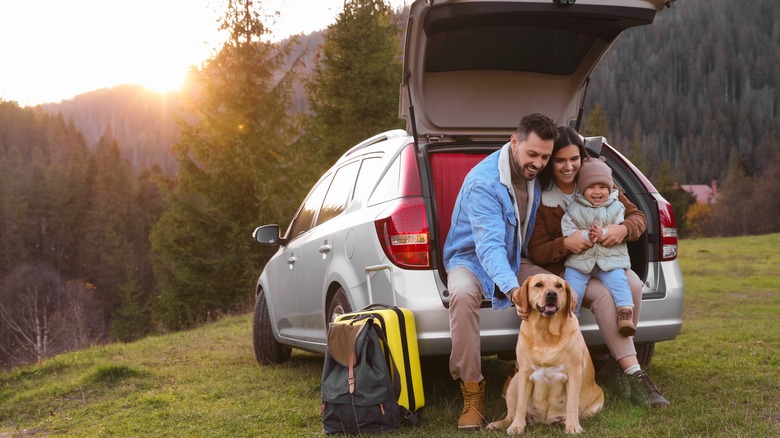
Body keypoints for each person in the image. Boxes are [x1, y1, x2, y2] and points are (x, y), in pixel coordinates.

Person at [527, 125, 669, 408]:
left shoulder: (598, 182)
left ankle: (617, 366)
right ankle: (630, 370)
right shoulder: (544, 198)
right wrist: (566, 244)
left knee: (633, 284)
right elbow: (537, 251)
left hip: (606, 261)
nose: (568, 167)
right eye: (560, 160)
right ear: (549, 161)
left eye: (574, 159)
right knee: (604, 296)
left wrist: (624, 230)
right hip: (570, 268)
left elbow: (638, 217)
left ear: (582, 157)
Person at [442, 113, 558, 430]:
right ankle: (472, 391)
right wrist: (513, 290)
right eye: (532, 154)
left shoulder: (537, 175)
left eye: (545, 156)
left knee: (553, 287)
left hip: (513, 255)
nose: (538, 163)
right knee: (463, 295)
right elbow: (488, 247)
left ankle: (530, 375)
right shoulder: (485, 183)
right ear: (514, 141)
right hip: (469, 258)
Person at [561, 156, 636, 337]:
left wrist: (604, 233)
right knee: (572, 287)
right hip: (581, 260)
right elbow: (567, 229)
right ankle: (569, 320)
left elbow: (619, 226)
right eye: (591, 187)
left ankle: (625, 314)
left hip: (609, 259)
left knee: (619, 282)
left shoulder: (617, 207)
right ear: (582, 189)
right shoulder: (574, 208)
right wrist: (584, 235)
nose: (597, 192)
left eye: (602, 187)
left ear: (609, 188)